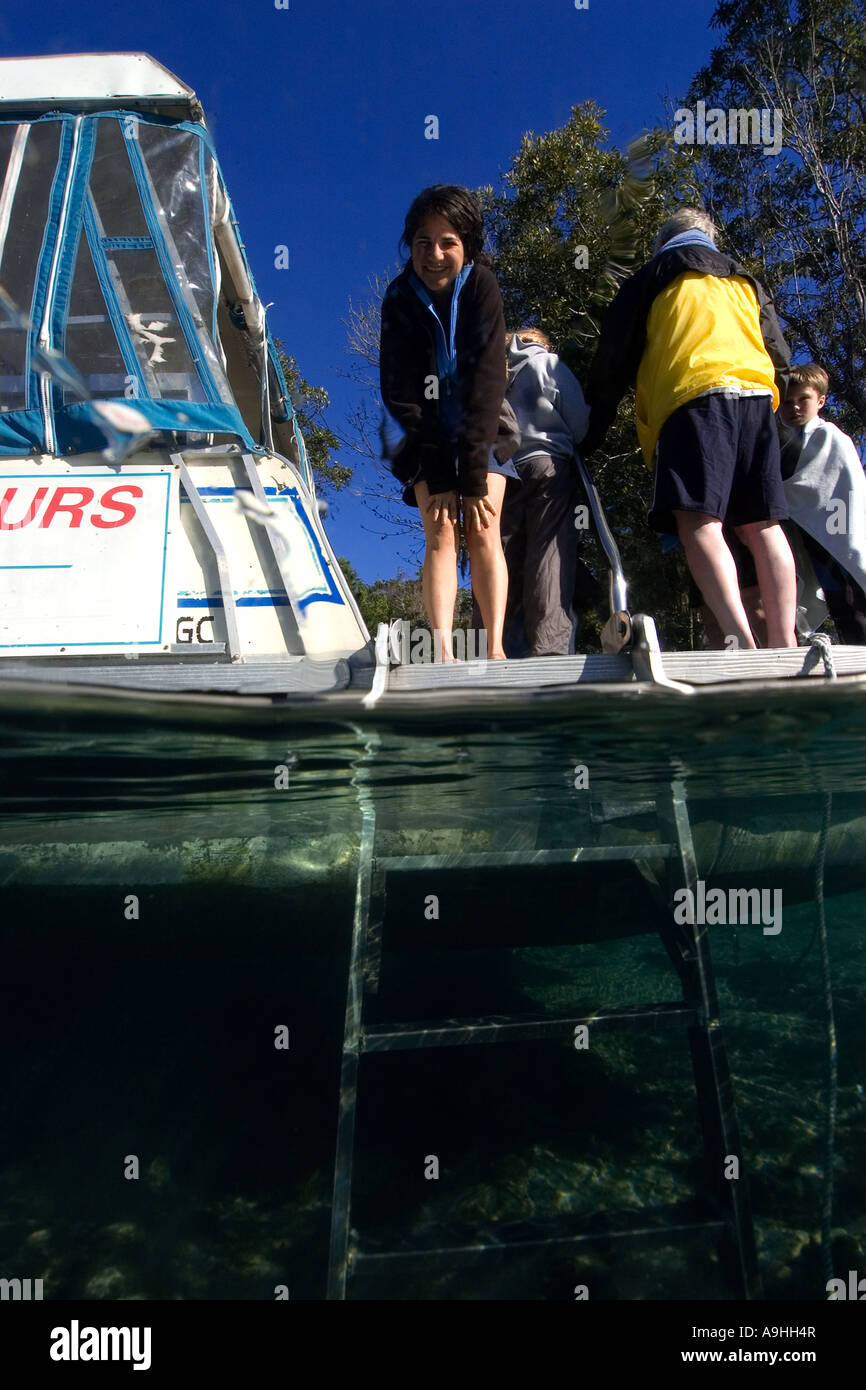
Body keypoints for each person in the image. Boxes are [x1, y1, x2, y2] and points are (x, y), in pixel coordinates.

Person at [582, 207, 797, 649]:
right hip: (756, 396)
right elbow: (778, 351)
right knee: (763, 524)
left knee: (700, 522)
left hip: (693, 396)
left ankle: (743, 643)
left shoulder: (651, 276)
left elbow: (612, 359)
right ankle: (784, 642)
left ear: (664, 242)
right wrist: (783, 419)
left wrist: (591, 431)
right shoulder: (745, 279)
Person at [379, 185, 518, 660]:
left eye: (448, 243)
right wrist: (436, 471)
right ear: (410, 245)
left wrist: (475, 474)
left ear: (468, 246)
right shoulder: (399, 298)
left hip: (484, 427)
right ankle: (441, 651)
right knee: (440, 532)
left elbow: (487, 381)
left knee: (483, 528)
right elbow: (399, 392)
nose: (434, 255)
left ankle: (495, 647)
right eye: (423, 242)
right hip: (425, 434)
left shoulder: (482, 286)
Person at [500, 328, 590, 655]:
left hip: (504, 474)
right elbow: (579, 422)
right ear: (542, 342)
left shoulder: (499, 371)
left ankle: (491, 648)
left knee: (503, 560)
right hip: (548, 463)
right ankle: (549, 649)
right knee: (549, 554)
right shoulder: (548, 364)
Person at [778, 363, 866, 643]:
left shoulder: (831, 438)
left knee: (854, 597)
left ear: (821, 400)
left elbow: (836, 486)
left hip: (836, 531)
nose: (794, 407)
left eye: (802, 399)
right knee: (837, 603)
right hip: (810, 538)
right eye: (787, 402)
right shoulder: (783, 446)